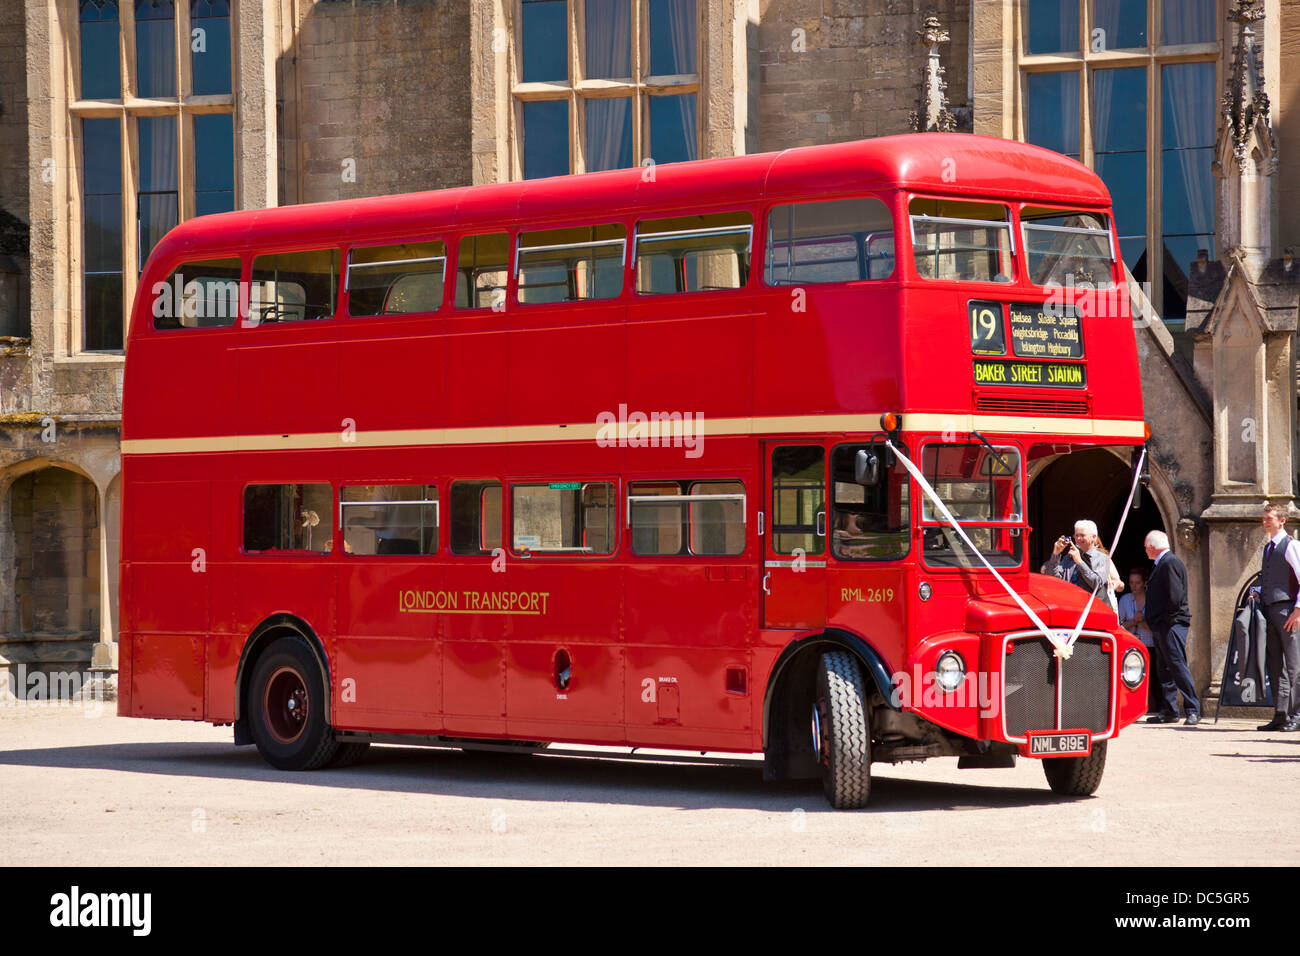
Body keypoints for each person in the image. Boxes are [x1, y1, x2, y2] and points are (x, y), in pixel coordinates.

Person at [1248, 504, 1300, 732]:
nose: (1265, 522)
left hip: (1289, 611)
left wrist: (1298, 610)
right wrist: (1258, 592)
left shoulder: (1291, 546)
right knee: (1275, 664)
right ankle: (1281, 714)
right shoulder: (1267, 549)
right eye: (1264, 518)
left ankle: (1297, 714)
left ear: (1282, 521)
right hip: (1270, 611)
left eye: (1269, 518)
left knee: (1294, 665)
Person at [1143, 529, 1200, 725]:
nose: (1145, 551)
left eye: (1146, 548)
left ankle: (1192, 708)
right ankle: (1169, 710)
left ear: (1151, 547)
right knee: (1164, 668)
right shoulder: (1162, 563)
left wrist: (1164, 620)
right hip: (1162, 625)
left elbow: (1175, 597)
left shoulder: (1169, 563)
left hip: (1171, 624)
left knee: (1176, 665)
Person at [1117, 568, 1156, 711]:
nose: (1134, 586)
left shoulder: (1152, 600)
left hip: (1149, 645)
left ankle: (1153, 708)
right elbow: (1119, 626)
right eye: (1131, 583)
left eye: (1137, 583)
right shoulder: (1125, 600)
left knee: (1152, 681)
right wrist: (1134, 621)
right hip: (1130, 647)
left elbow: (1157, 629)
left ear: (1144, 583)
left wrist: (1142, 622)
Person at [1040, 519, 1109, 600]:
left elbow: (1097, 584)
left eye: (1082, 535)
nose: (1078, 538)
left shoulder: (1102, 558)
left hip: (1092, 607)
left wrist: (1079, 562)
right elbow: (1052, 578)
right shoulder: (1069, 557)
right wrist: (1056, 554)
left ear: (1093, 537)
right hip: (1070, 604)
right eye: (1076, 535)